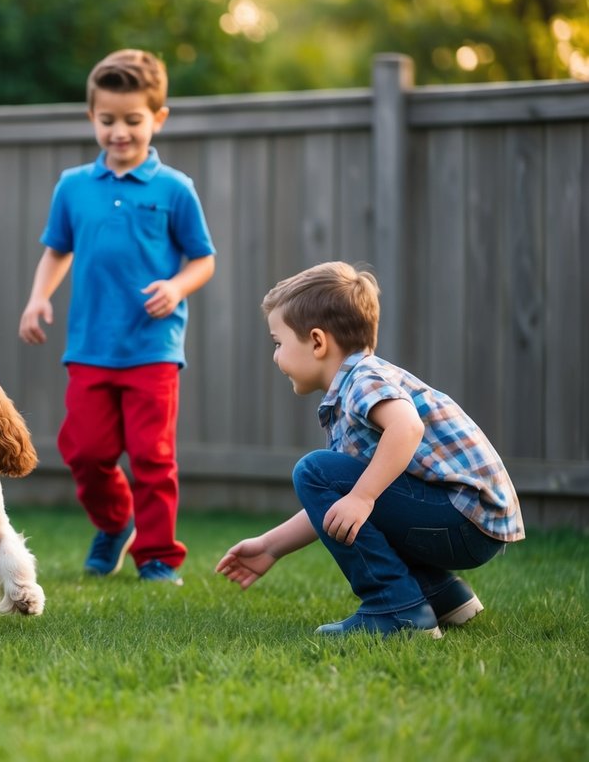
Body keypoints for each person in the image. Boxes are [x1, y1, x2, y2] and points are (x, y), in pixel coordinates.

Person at [216, 261, 525, 637]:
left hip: (464, 517)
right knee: (340, 482)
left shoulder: (363, 380)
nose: (276, 357)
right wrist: (270, 547)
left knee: (314, 470)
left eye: (278, 343)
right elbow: (336, 503)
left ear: (317, 341)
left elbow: (407, 427)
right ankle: (442, 595)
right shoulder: (358, 386)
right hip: (471, 522)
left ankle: (396, 608)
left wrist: (362, 497)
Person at [19, 49, 216, 585]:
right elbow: (57, 250)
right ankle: (114, 523)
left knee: (153, 458)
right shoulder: (74, 185)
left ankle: (156, 555)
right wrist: (39, 298)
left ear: (158, 118)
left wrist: (176, 286)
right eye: (108, 120)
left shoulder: (174, 189)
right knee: (85, 451)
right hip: (89, 347)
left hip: (153, 347)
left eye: (133, 120)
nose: (120, 131)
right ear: (92, 118)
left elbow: (203, 259)